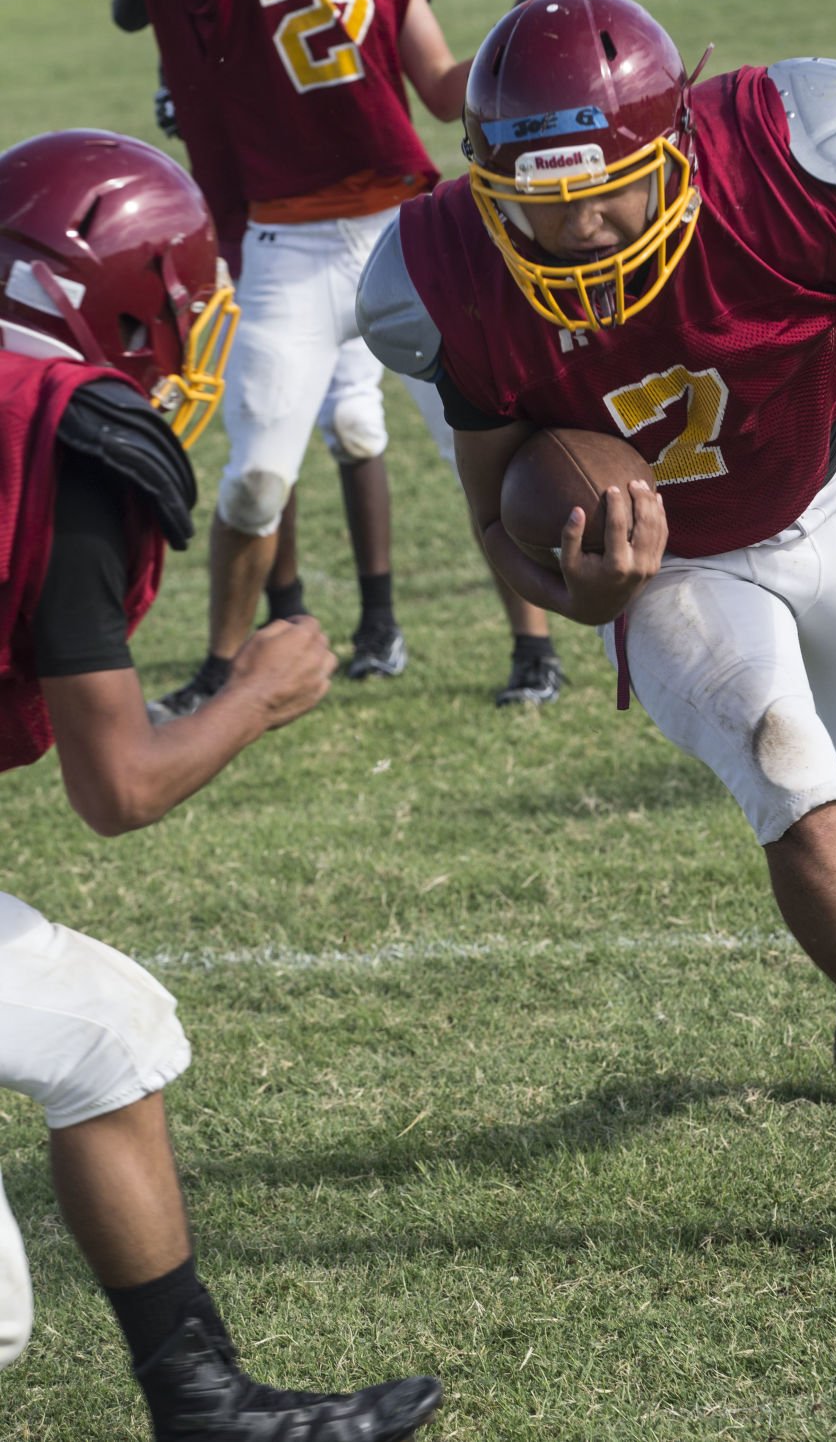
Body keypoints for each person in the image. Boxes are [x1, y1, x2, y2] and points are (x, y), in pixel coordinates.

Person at [356, 0, 836, 1217]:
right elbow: (499, 523)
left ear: (677, 150)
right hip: (679, 567)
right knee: (790, 776)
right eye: (541, 208)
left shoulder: (777, 162)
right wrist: (578, 587)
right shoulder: (447, 269)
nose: (585, 231)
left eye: (608, 191)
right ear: (490, 191)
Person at [0, 129, 442, 1440]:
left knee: (103, 1029)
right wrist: (254, 690)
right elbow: (119, 785)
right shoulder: (60, 440)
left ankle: (201, 1401)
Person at [140, 0, 564, 714]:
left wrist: (509, 42)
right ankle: (219, 666)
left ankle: (533, 644)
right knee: (253, 481)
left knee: (486, 442)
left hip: (406, 234)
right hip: (285, 244)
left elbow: (445, 89)